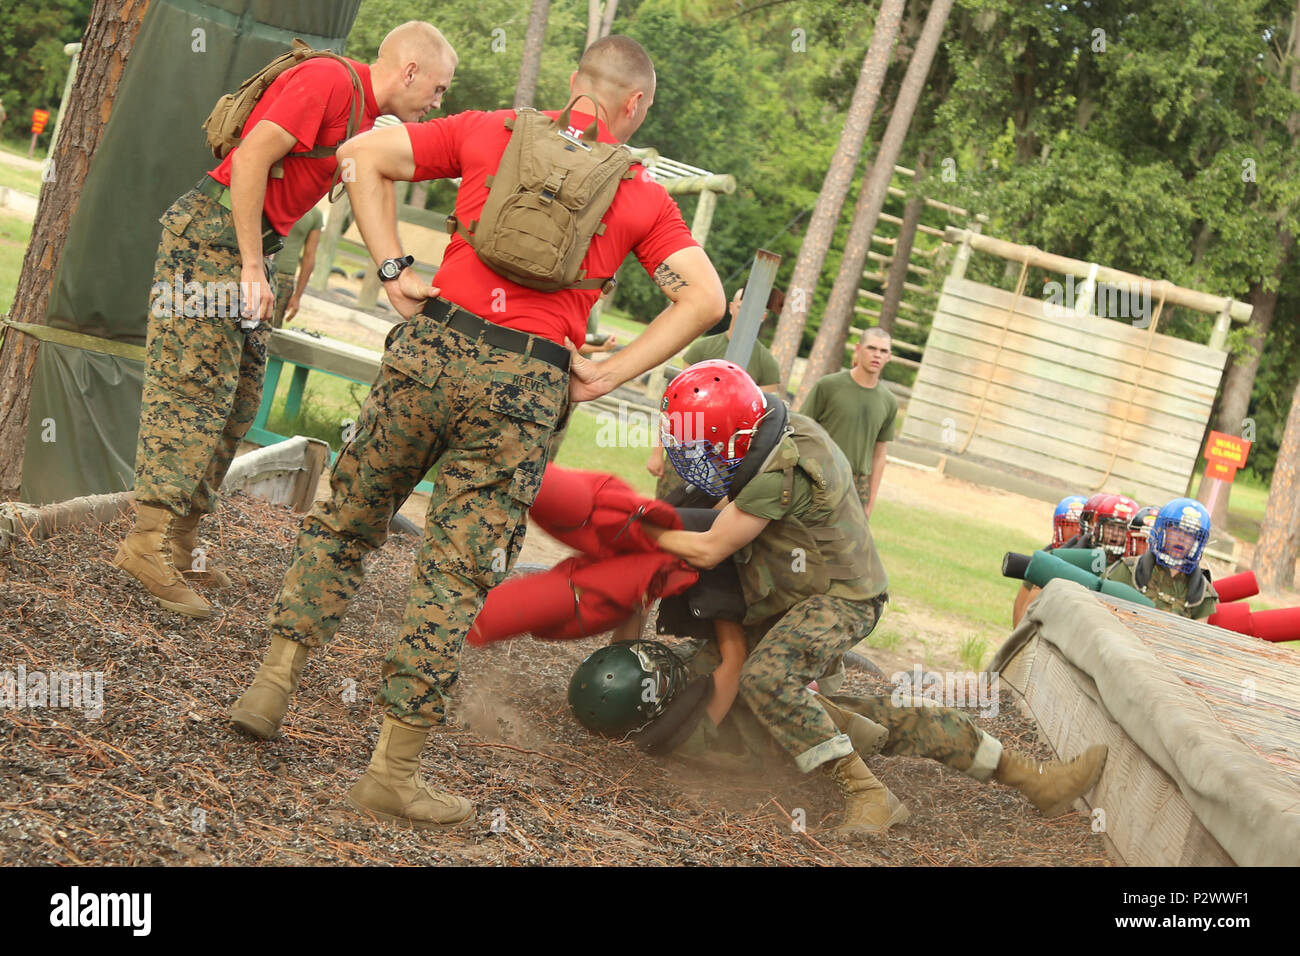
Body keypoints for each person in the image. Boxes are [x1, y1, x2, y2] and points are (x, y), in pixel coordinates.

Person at [229, 35, 725, 830]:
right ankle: (391, 772)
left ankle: (272, 684)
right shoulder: (639, 194)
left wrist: (393, 268)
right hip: (524, 386)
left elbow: (360, 155)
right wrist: (605, 372)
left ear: (574, 85)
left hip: (431, 348)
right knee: (452, 573)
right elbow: (704, 299)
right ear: (635, 107)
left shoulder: (490, 130)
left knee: (346, 520)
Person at [635, 360, 1105, 836]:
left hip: (841, 599)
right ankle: (1032, 779)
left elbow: (712, 544)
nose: (696, 458)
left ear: (737, 436)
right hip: (801, 595)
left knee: (768, 681)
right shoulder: (775, 430)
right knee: (812, 710)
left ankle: (867, 794)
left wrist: (633, 527)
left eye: (704, 446)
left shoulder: (779, 467)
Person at [113, 22, 457, 619]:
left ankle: (182, 542)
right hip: (213, 242)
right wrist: (250, 263)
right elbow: (250, 159)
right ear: (408, 72)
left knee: (238, 402)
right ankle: (144, 544)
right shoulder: (326, 80)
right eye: (438, 88)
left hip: (251, 251)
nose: (437, 100)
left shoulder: (366, 116)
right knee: (192, 395)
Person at [647, 286, 781, 499]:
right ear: (731, 308)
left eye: (753, 310)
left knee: (704, 520)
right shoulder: (703, 349)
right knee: (667, 509)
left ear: (762, 316)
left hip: (726, 461)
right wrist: (657, 452)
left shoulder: (767, 364)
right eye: (741, 306)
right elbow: (674, 406)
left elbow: (763, 423)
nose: (745, 313)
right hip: (686, 445)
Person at [798, 326, 896, 517]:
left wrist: (869, 503)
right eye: (871, 348)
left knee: (844, 546)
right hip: (821, 476)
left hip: (857, 486)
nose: (877, 355)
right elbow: (801, 431)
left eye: (883, 351)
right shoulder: (828, 386)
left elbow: (879, 454)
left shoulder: (888, 401)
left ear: (889, 357)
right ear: (858, 350)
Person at [1104, 498, 1218, 619]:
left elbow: (1201, 633)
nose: (1182, 538)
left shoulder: (1202, 592)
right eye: (1176, 529)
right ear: (1162, 530)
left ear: (1197, 542)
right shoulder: (1129, 570)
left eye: (1190, 534)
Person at [271, 206, 325, 327]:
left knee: (269, 331)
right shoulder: (274, 195)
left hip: (283, 280)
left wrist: (297, 296)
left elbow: (309, 256)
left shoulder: (315, 215)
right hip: (258, 269)